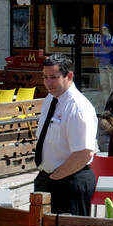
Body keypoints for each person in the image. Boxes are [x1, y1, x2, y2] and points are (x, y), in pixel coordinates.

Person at [32, 53, 97, 215]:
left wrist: (55, 177)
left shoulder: (78, 107)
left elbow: (83, 153)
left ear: (69, 76)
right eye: (45, 77)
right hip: (49, 179)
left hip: (70, 181)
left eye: (53, 77)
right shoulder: (50, 98)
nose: (48, 82)